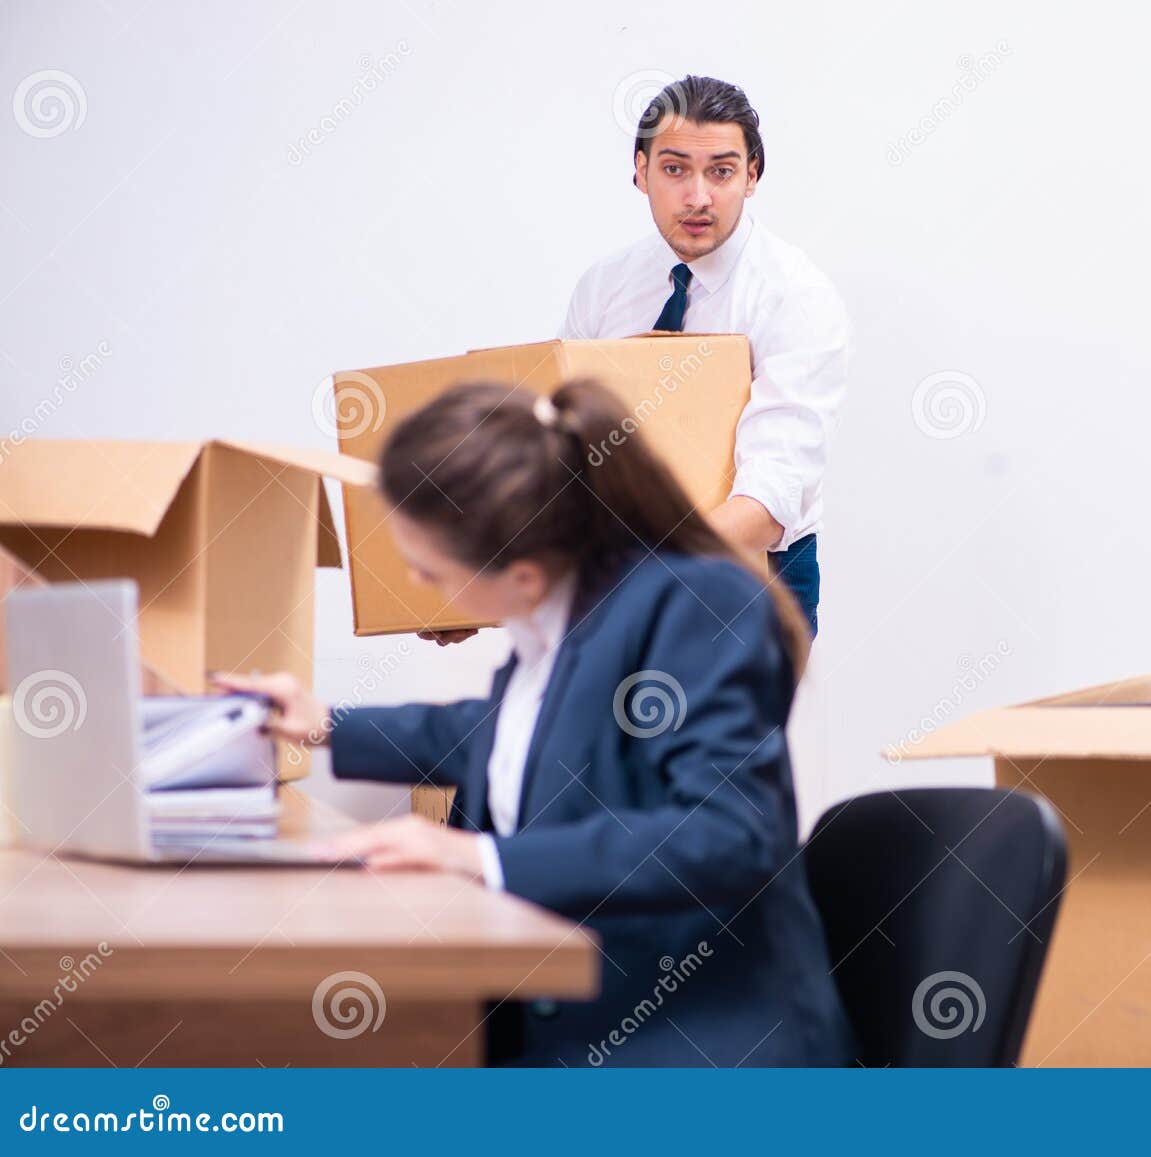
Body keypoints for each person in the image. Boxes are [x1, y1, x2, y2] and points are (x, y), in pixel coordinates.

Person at [214, 378, 855, 1067]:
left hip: (692, 1047)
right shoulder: (565, 618)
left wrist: (475, 857)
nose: (417, 580)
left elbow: (729, 833)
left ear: (521, 574)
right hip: (565, 1019)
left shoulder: (694, 602)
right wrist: (324, 724)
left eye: (428, 569)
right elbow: (509, 737)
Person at [560, 74, 848, 635]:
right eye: (674, 170)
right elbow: (563, 461)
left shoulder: (795, 297)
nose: (698, 197)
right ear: (640, 172)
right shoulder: (603, 288)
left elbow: (771, 496)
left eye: (721, 171)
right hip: (618, 572)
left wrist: (646, 575)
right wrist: (478, 591)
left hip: (752, 573)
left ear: (752, 175)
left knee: (725, 727)